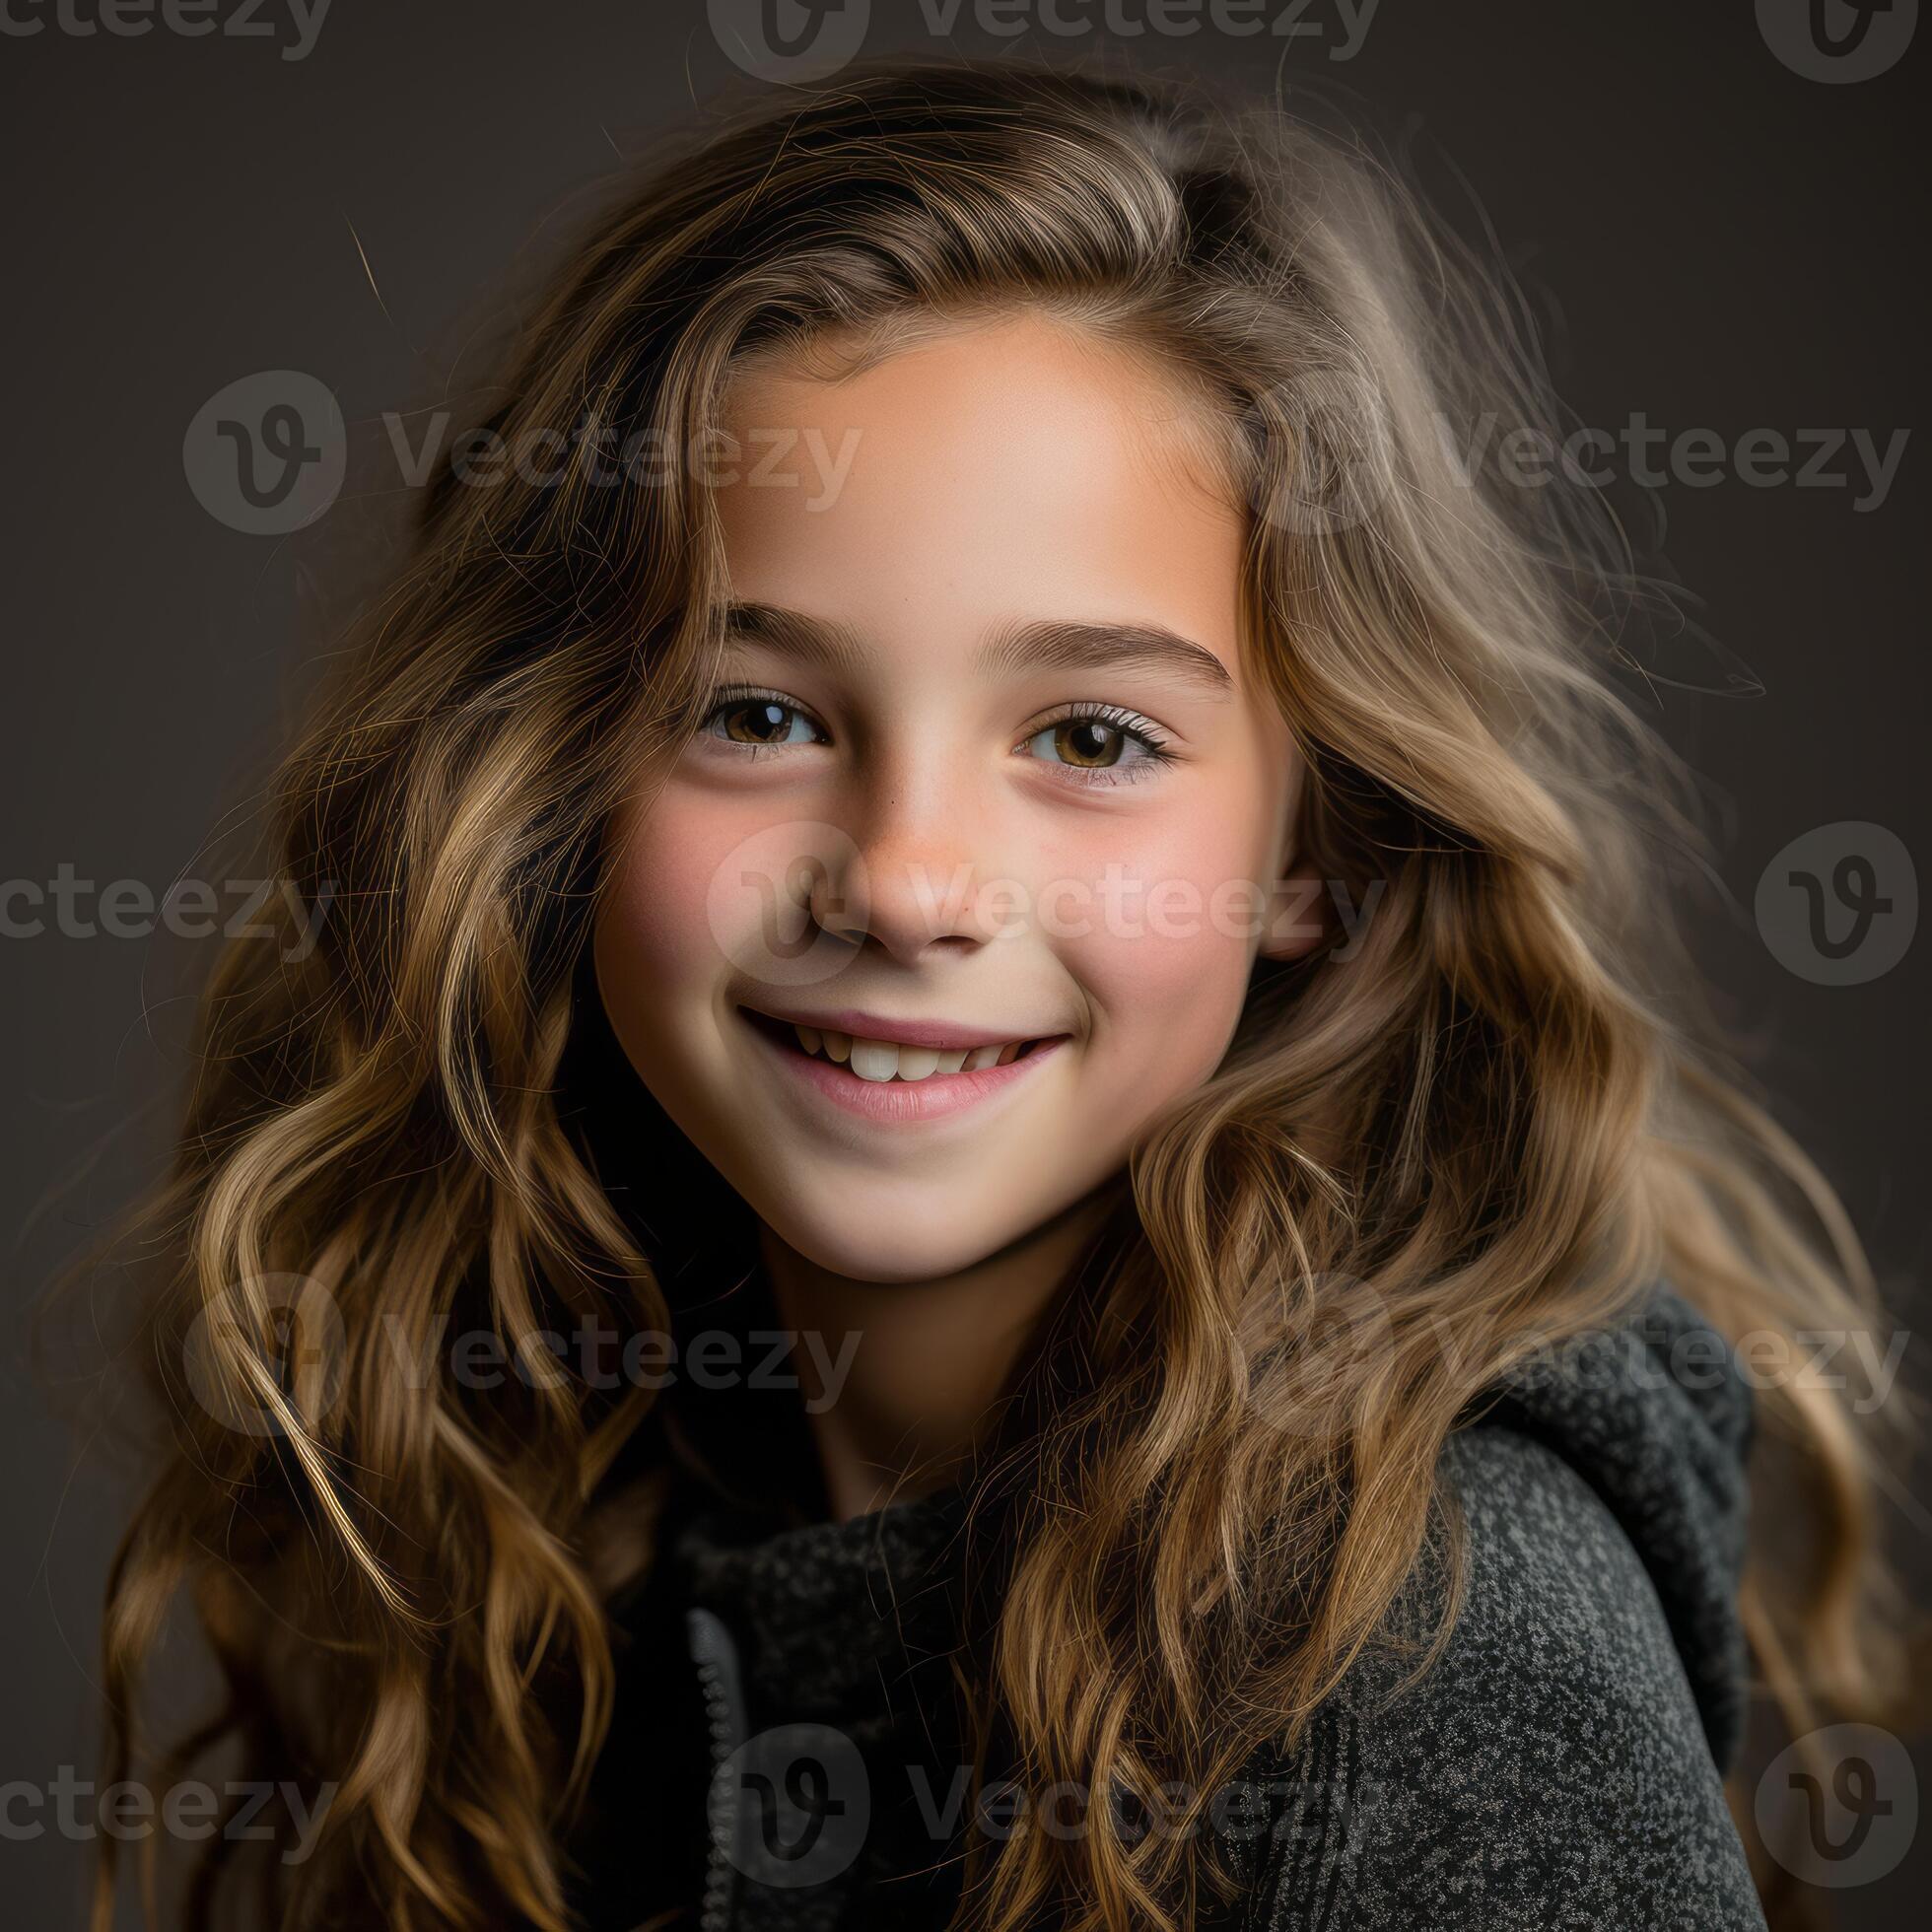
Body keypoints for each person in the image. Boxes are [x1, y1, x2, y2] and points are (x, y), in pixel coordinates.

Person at [88, 55, 1907, 1931]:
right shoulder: (588, 1530)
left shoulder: (1431, 1669)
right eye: (758, 713)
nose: (903, 880)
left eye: (1094, 735)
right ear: (549, 786)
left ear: (1321, 852)